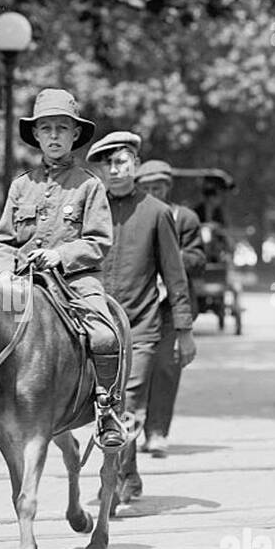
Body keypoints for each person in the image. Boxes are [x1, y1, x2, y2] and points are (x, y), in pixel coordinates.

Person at [0, 88, 127, 451]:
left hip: (75, 281)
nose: (53, 136)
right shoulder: (21, 186)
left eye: (62, 129)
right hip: (22, 282)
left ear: (75, 134)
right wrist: (2, 272)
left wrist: (61, 255)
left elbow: (98, 241)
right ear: (35, 135)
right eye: (46, 128)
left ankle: (106, 410)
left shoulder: (89, 186)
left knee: (104, 335)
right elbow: (1, 241)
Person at [85, 135, 195, 502]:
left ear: (136, 164)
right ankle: (129, 474)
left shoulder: (157, 213)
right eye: (108, 164)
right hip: (95, 324)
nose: (115, 170)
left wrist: (183, 330)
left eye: (122, 162)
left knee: (129, 404)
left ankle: (112, 482)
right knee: (103, 403)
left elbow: (174, 275)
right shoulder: (91, 208)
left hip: (142, 327)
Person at [135, 159, 206, 456]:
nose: (154, 192)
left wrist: (171, 255)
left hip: (171, 305)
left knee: (165, 366)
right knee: (137, 369)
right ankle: (130, 430)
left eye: (159, 187)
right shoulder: (133, 215)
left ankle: (157, 432)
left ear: (168, 187)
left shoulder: (184, 218)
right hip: (138, 302)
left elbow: (199, 260)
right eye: (147, 188)